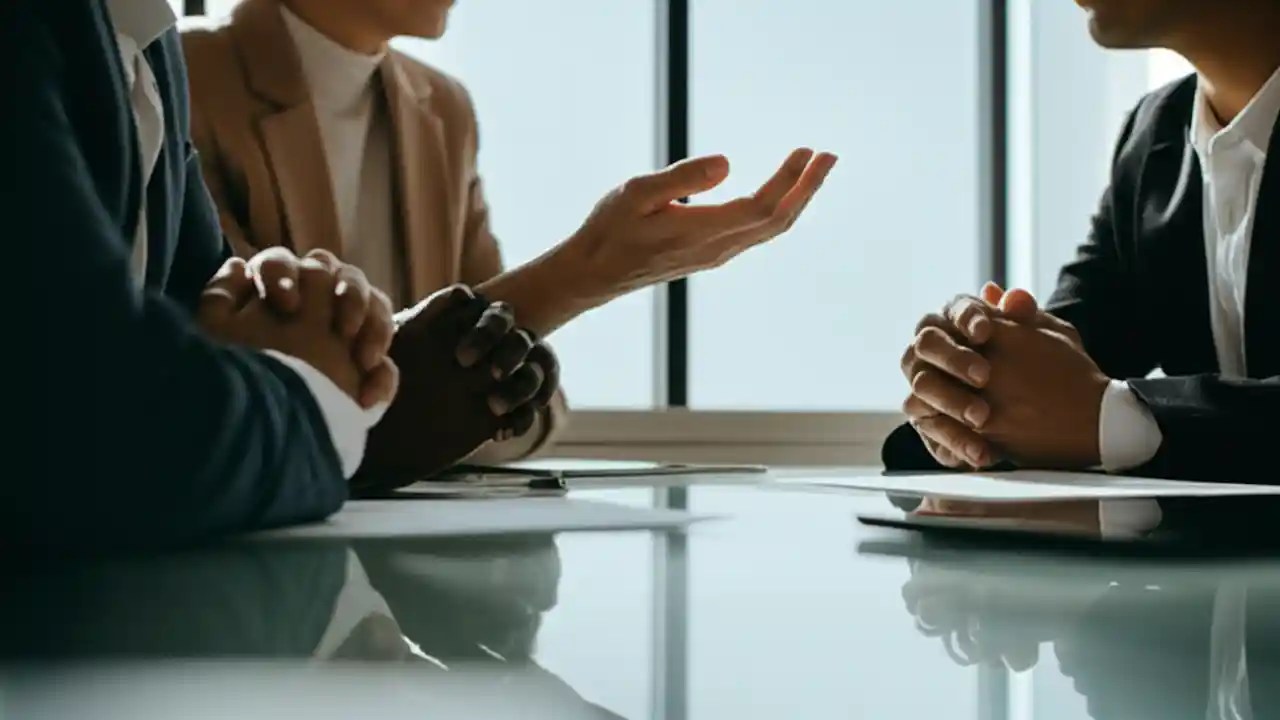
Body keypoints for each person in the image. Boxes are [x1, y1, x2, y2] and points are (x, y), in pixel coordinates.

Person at [179, 0, 838, 463]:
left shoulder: (441, 111)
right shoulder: (185, 77)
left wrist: (469, 394)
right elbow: (266, 389)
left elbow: (533, 404)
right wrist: (585, 272)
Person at [5, 0, 555, 553]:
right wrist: (322, 399)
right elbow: (84, 405)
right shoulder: (160, 51)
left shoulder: (152, 44)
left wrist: (350, 375)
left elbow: (213, 327)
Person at [887, 0, 1280, 494]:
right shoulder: (1156, 131)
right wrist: (972, 390)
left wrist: (1115, 419)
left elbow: (1084, 408)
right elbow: (1065, 362)